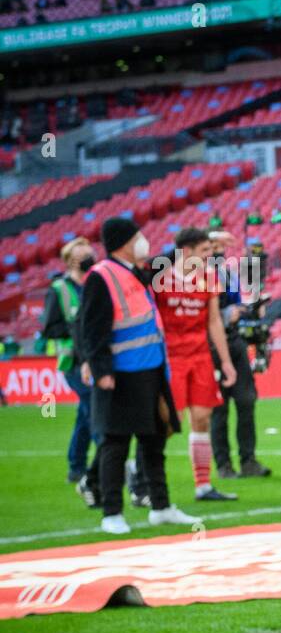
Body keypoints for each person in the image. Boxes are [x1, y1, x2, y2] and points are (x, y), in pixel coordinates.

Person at [77, 217, 197, 535]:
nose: (144, 240)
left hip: (152, 369)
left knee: (154, 440)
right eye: (138, 236)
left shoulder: (134, 271)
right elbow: (91, 329)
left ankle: (161, 506)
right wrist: (101, 370)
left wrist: (189, 246)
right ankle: (112, 512)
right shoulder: (101, 277)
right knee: (115, 443)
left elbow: (162, 263)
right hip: (121, 373)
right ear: (126, 242)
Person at [157, 228, 238, 502]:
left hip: (201, 356)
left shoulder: (209, 278)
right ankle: (142, 469)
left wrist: (226, 362)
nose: (210, 255)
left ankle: (203, 485)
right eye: (205, 250)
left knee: (202, 418)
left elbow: (214, 322)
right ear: (188, 251)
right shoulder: (161, 278)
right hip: (171, 358)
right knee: (171, 421)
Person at [208, 232, 269, 480]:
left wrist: (247, 310)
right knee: (219, 408)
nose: (218, 250)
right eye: (212, 246)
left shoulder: (226, 273)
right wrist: (226, 315)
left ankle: (248, 460)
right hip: (211, 343)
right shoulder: (199, 276)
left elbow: (235, 304)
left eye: (221, 246)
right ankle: (223, 465)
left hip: (234, 340)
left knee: (247, 401)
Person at [41, 237, 96, 484]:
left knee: (85, 414)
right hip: (73, 360)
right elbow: (50, 328)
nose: (88, 257)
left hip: (96, 355)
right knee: (93, 407)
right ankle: (108, 463)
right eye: (83, 253)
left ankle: (76, 465)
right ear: (70, 260)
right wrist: (75, 328)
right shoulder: (59, 289)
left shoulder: (95, 283)